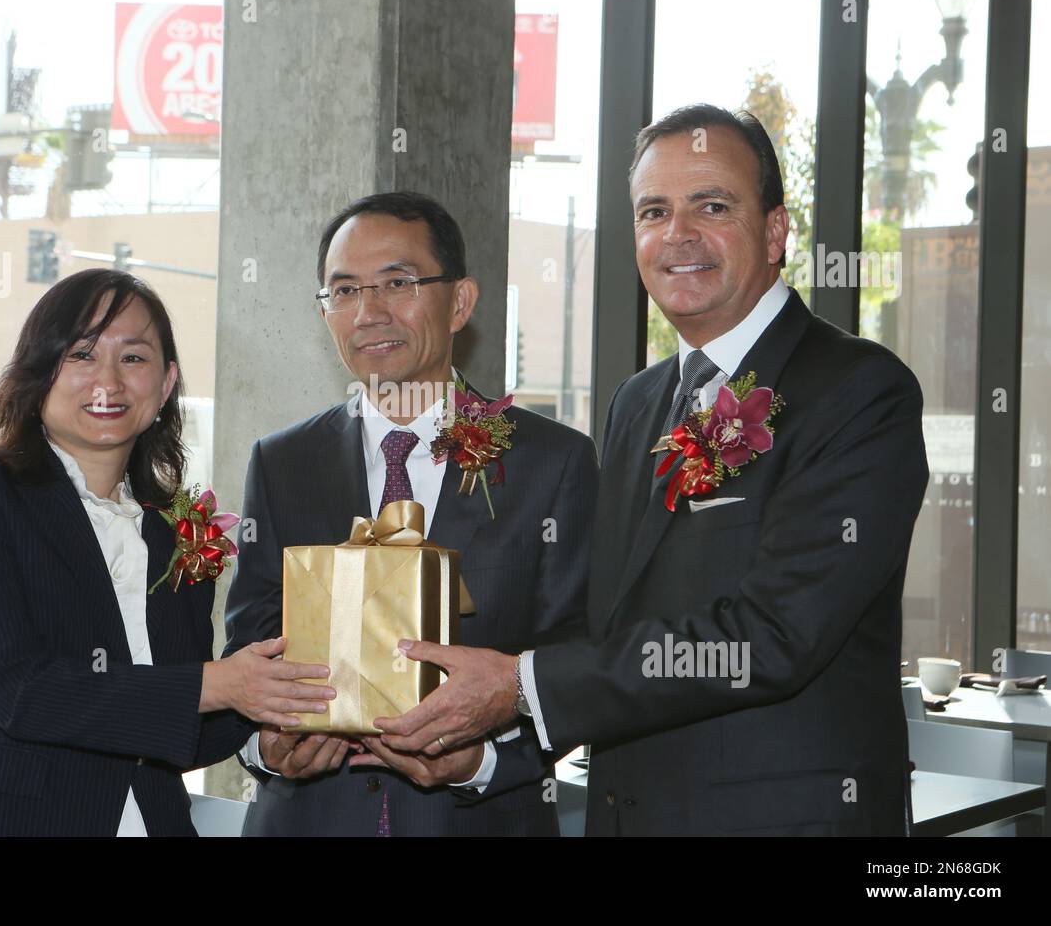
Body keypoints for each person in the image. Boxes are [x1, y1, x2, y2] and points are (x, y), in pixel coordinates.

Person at [376, 105, 930, 836]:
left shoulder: (859, 389)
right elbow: (609, 621)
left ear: (775, 231)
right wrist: (485, 750)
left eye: (713, 206)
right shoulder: (637, 402)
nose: (678, 234)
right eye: (654, 211)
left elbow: (775, 635)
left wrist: (519, 683)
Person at [224, 191, 598, 835]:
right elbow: (249, 648)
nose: (369, 313)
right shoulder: (282, 462)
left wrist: (482, 761)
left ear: (460, 302)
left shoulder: (552, 461)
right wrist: (266, 747)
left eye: (398, 283)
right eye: (345, 291)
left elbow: (578, 662)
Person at [0, 268, 332, 836]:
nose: (107, 380)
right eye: (82, 354)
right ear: (40, 371)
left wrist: (267, 734)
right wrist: (220, 684)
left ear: (166, 382)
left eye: (133, 357)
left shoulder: (176, 527)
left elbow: (175, 722)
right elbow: (21, 692)